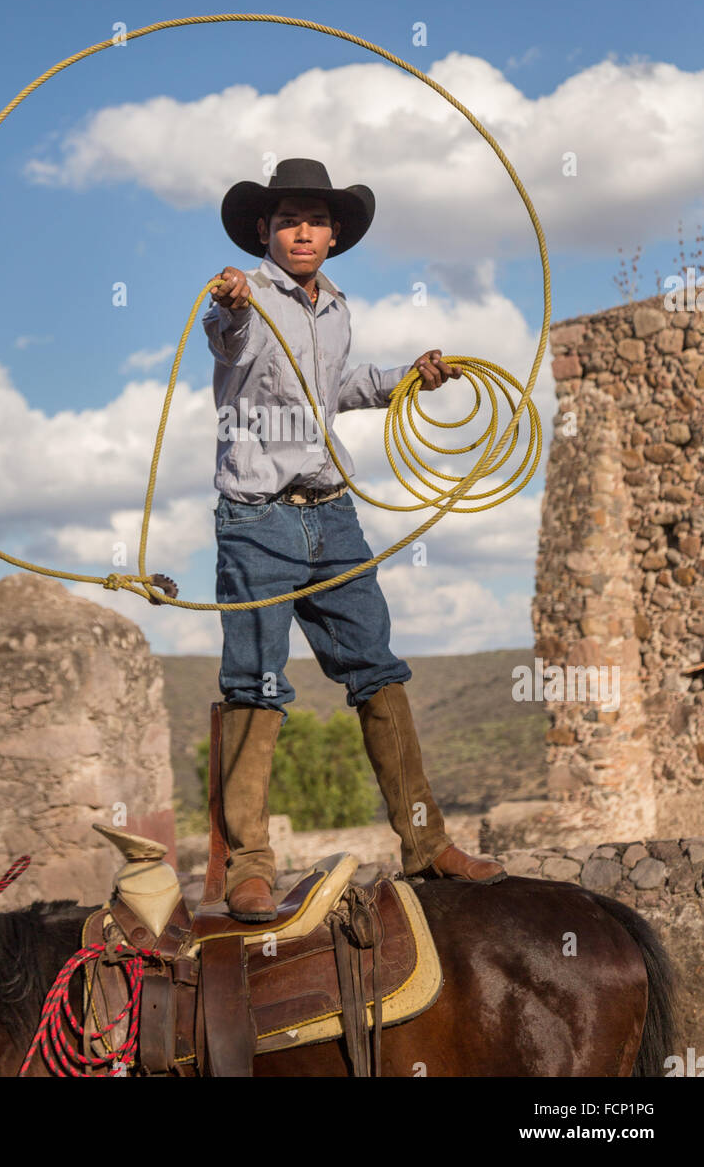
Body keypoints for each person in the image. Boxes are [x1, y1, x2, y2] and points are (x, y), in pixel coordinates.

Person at [203, 158, 507, 920]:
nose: (301, 232)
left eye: (315, 221)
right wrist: (233, 303)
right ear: (264, 233)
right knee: (256, 682)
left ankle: (426, 842)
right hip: (256, 520)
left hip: (330, 515)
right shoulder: (241, 297)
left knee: (377, 668)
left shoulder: (335, 308)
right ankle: (249, 864)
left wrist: (410, 377)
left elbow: (335, 386)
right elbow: (228, 344)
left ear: (334, 236)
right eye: (286, 221)